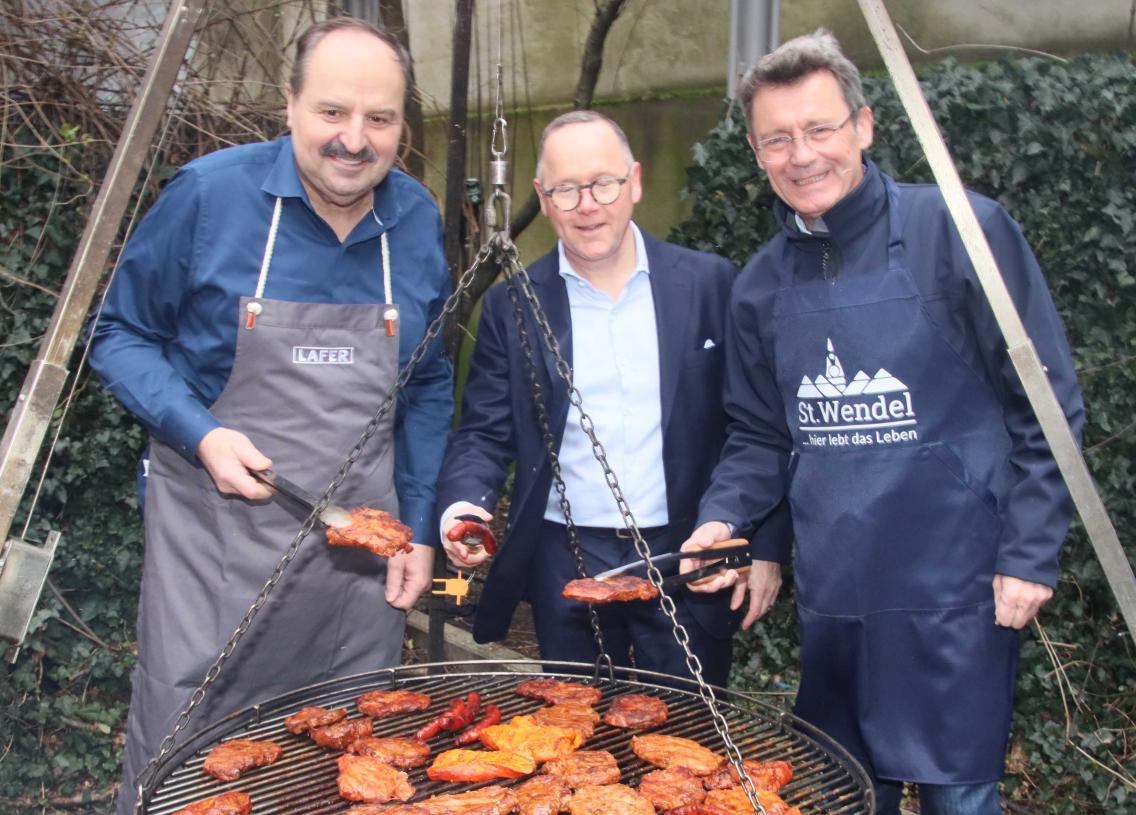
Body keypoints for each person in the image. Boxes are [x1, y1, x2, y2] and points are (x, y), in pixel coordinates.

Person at [681, 30, 1085, 814]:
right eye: (777, 139)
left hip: (958, 592)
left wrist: (1031, 551)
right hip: (837, 598)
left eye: (820, 129)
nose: (802, 155)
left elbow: (1047, 402)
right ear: (757, 153)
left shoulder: (960, 232)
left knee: (957, 796)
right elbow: (760, 435)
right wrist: (722, 520)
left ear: (864, 126)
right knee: (846, 792)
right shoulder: (759, 286)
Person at [88, 17, 453, 813]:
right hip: (214, 557)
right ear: (289, 105)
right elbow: (118, 336)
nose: (354, 139)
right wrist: (202, 433)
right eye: (332, 111)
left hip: (356, 579)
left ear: (402, 126)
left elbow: (427, 383)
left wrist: (420, 526)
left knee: (342, 766)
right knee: (188, 768)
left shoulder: (418, 221)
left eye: (380, 118)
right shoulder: (209, 197)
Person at [435, 110, 789, 686]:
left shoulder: (711, 284)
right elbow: (483, 433)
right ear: (543, 198)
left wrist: (764, 544)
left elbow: (756, 426)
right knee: (573, 722)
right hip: (564, 555)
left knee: (688, 722)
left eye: (603, 183)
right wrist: (463, 508)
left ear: (635, 182)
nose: (588, 205)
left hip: (688, 549)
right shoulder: (511, 306)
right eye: (566, 190)